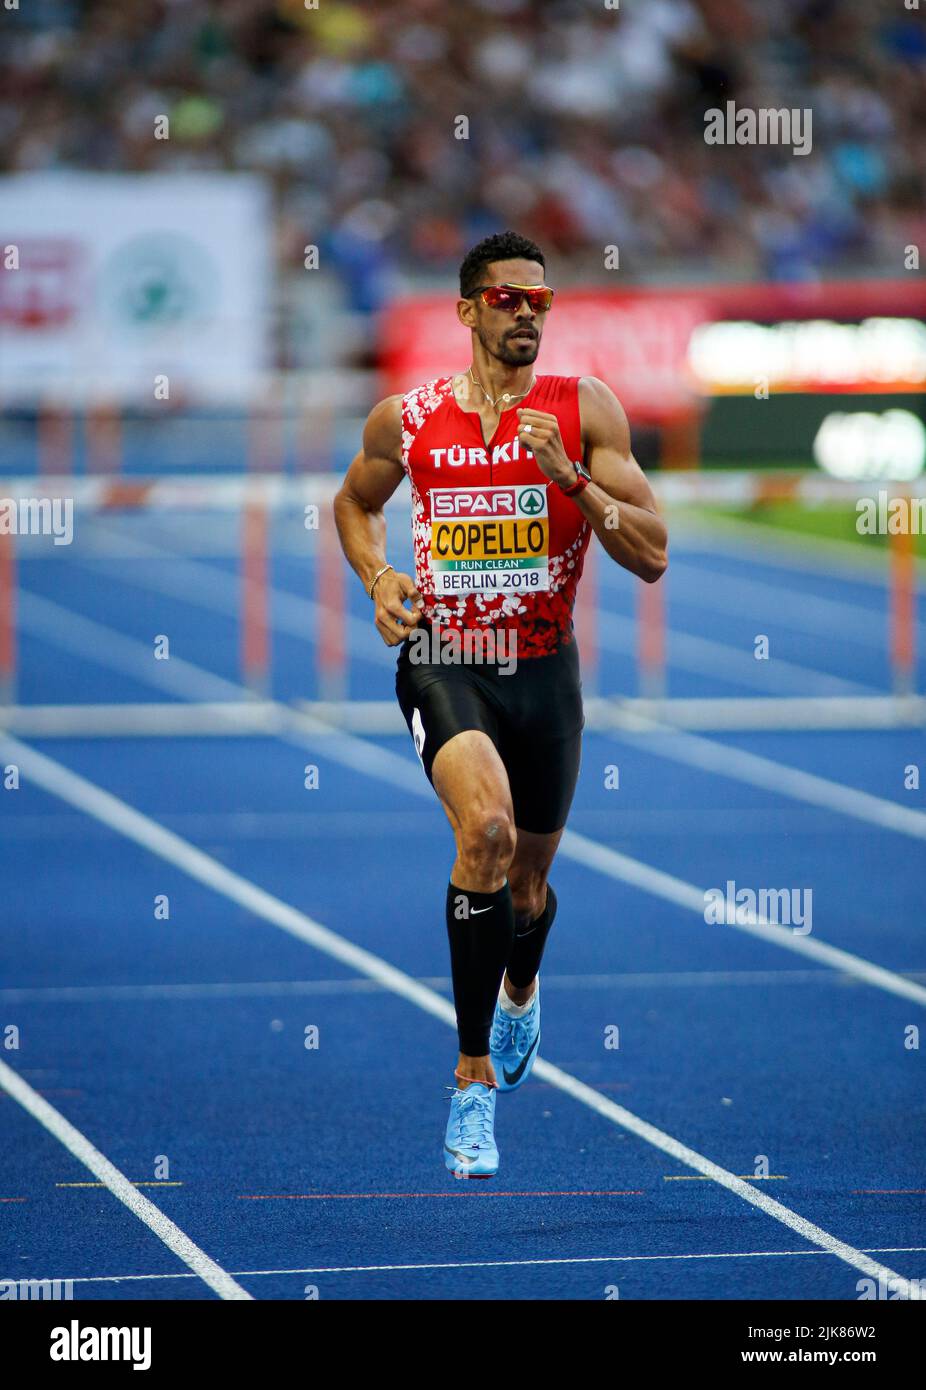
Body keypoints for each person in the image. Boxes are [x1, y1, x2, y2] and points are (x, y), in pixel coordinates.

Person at [334, 230, 667, 1178]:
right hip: (448, 654)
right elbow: (353, 506)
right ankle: (471, 1085)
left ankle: (523, 980)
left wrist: (569, 476)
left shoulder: (583, 409)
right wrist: (377, 576)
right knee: (482, 834)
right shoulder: (409, 417)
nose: (528, 314)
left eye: (542, 301)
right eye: (510, 299)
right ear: (468, 310)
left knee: (527, 888)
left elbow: (652, 554)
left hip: (543, 667)